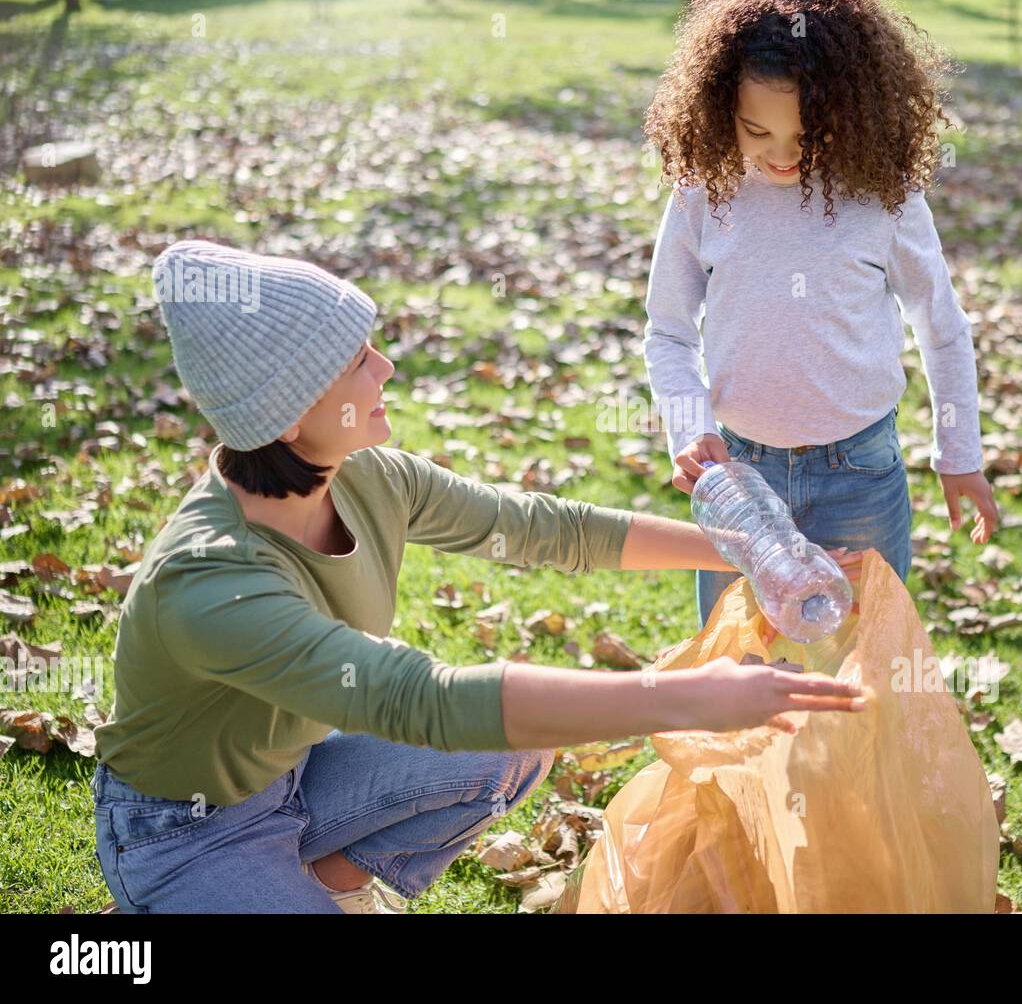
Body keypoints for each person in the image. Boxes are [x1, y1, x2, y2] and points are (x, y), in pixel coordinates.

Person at [90, 239, 866, 913]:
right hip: (183, 832)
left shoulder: (365, 476)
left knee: (516, 749)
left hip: (298, 772)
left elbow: (540, 528)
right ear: (289, 414)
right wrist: (689, 697)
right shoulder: (211, 584)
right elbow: (421, 699)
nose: (385, 365)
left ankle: (327, 880)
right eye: (359, 358)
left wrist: (748, 548)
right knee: (502, 719)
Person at [640, 0, 1000, 630]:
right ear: (722, 107)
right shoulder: (702, 195)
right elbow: (670, 331)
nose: (781, 154)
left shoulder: (881, 199)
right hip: (739, 481)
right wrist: (689, 428)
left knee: (859, 666)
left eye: (808, 135)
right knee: (740, 671)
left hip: (858, 476)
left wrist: (961, 456)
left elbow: (941, 327)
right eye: (757, 130)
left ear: (853, 111)